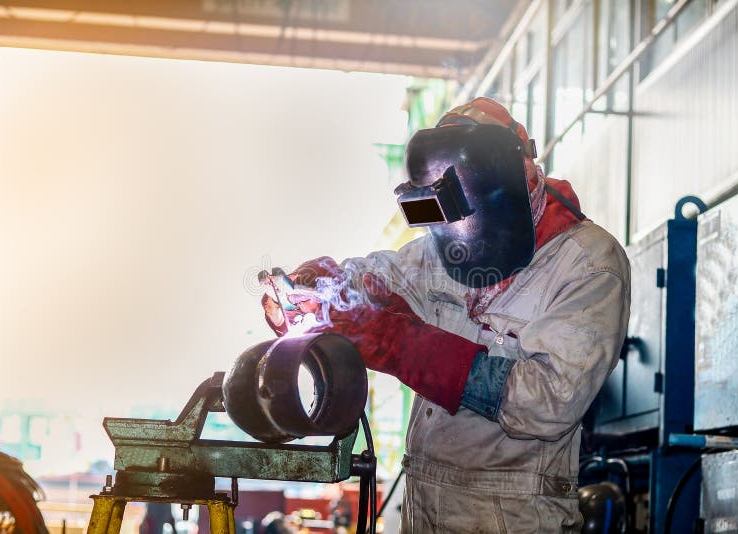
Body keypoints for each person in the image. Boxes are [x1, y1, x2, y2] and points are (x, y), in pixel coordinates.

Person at [263, 97, 630, 532]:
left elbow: (547, 402)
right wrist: (324, 287)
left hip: (512, 516)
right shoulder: (444, 249)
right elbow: (381, 276)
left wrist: (400, 346)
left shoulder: (589, 264)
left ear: (505, 187)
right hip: (424, 503)